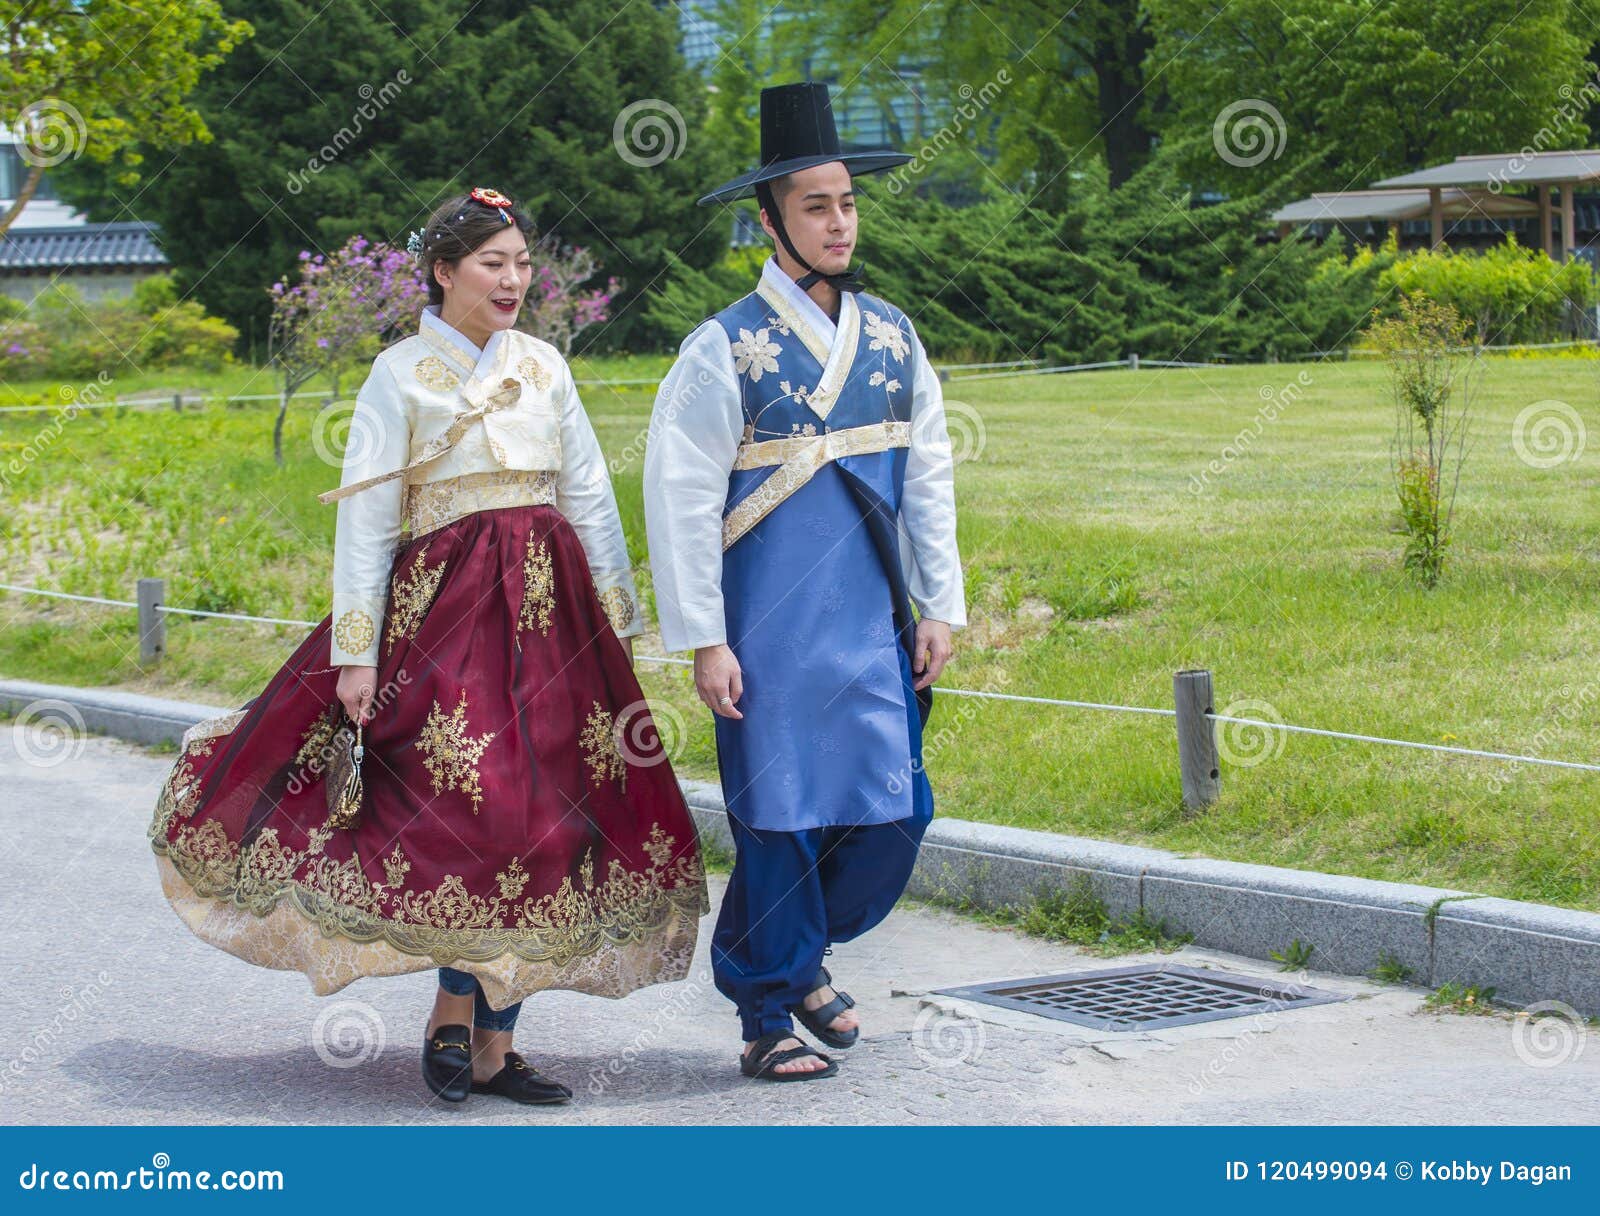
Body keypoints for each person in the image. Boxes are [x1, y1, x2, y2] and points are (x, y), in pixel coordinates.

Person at [148, 187, 708, 1106]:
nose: (514, 279)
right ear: (444, 272)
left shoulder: (546, 366)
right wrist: (358, 655)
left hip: (551, 612)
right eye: (494, 263)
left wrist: (616, 619)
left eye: (524, 263)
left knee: (550, 819)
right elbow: (366, 524)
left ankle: (496, 1043)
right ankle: (453, 1018)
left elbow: (591, 494)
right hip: (444, 615)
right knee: (477, 814)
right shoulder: (399, 373)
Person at [643, 84, 966, 1082]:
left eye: (847, 204)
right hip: (767, 633)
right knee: (778, 815)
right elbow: (679, 500)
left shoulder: (891, 337)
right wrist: (704, 636)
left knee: (892, 811)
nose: (839, 223)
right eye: (817, 205)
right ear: (773, 216)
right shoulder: (722, 348)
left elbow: (931, 472)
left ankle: (794, 952)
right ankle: (767, 1010)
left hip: (869, 625)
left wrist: (941, 602)